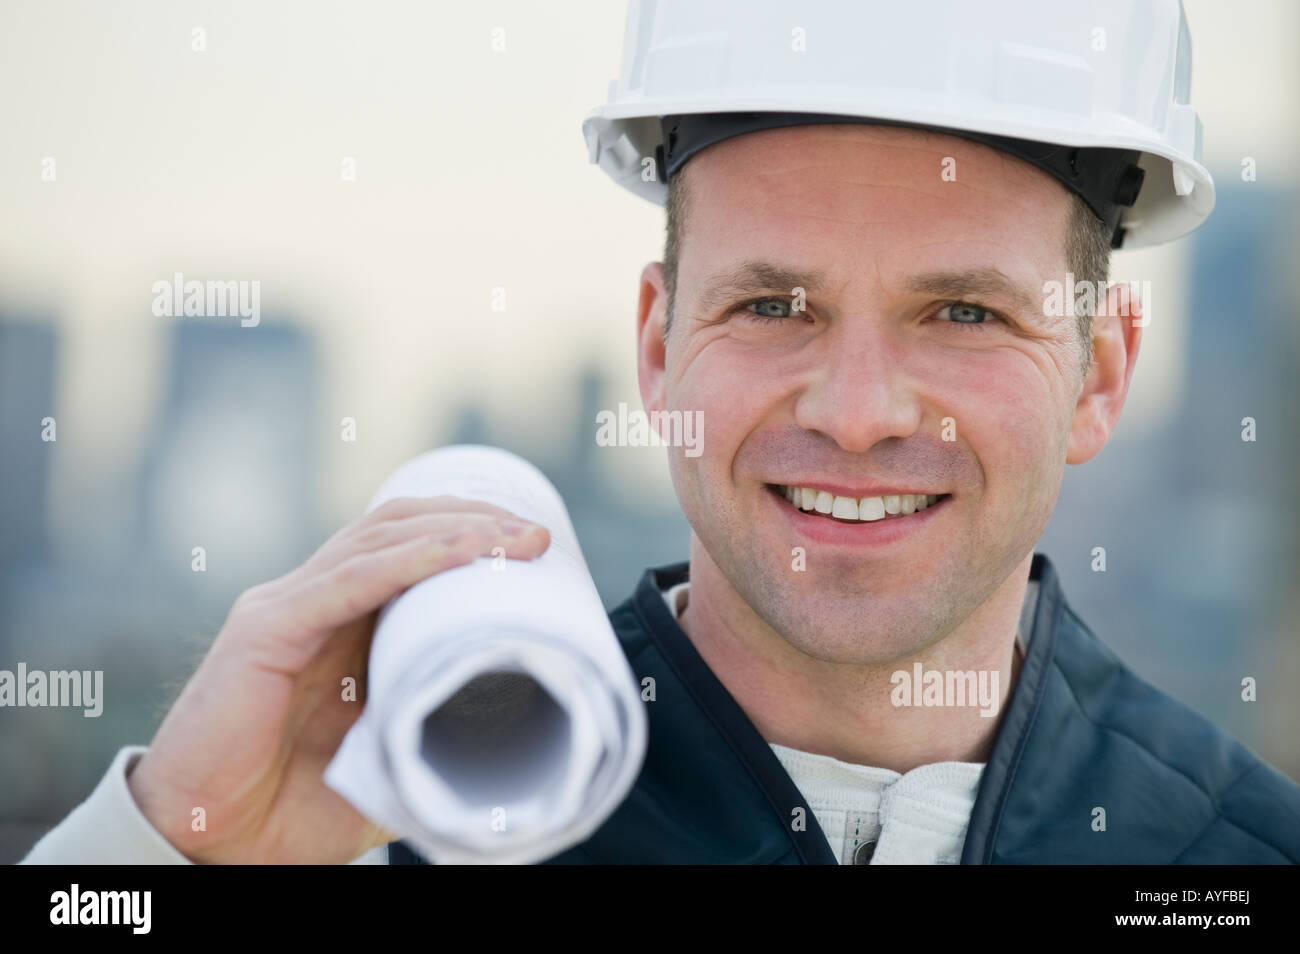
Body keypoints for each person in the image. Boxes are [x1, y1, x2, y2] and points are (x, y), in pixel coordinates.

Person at [22, 0, 1300, 865]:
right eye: (772, 305)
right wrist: (162, 852)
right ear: (655, 346)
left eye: (964, 312)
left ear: (1100, 369)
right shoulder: (390, 813)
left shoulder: (1236, 857)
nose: (857, 414)